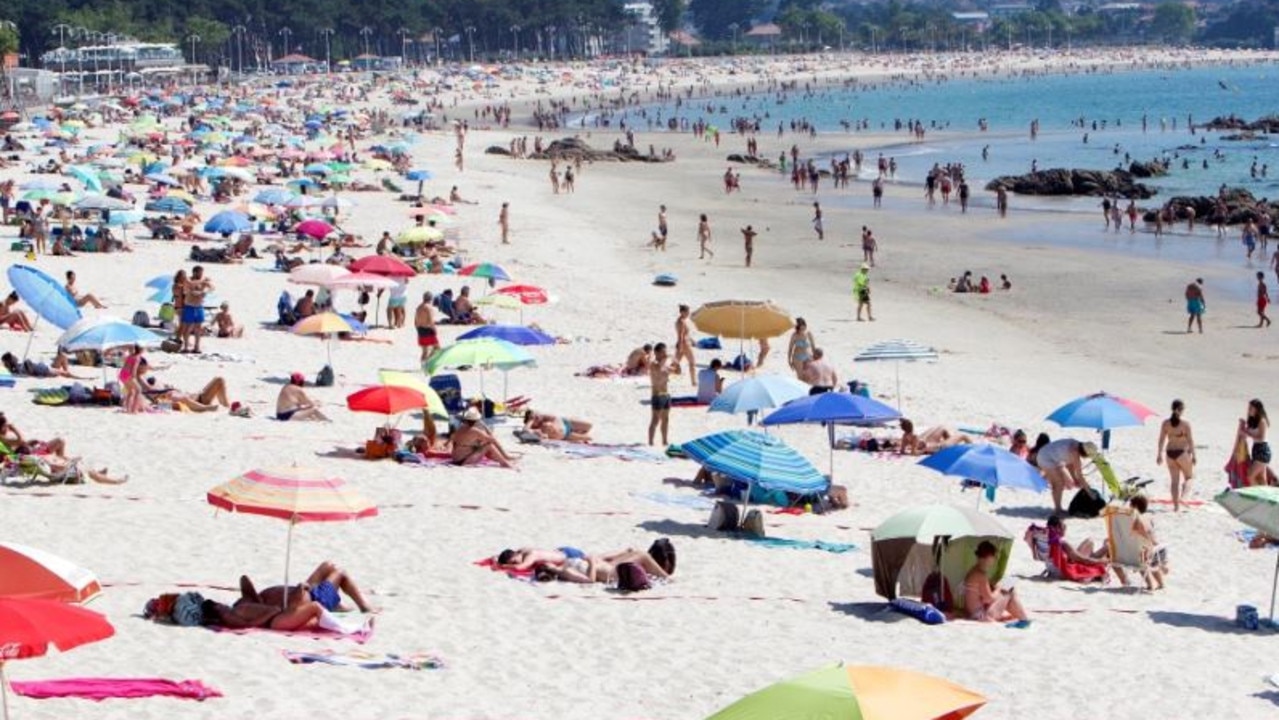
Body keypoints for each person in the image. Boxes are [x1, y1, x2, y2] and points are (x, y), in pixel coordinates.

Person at [246, 561, 376, 614]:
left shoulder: (263, 597)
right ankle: (364, 606)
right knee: (340, 572)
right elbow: (292, 608)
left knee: (328, 566)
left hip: (309, 594)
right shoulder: (269, 609)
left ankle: (336, 605)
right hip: (316, 600)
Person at [964, 540, 1029, 625]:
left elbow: (982, 598)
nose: (995, 559)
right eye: (994, 556)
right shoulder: (980, 575)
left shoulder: (973, 571)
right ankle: (1023, 619)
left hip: (974, 613)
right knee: (1010, 590)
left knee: (1007, 590)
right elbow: (988, 599)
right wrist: (999, 589)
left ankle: (1022, 617)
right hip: (981, 616)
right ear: (988, 556)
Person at [1155, 399, 1196, 512]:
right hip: (1181, 452)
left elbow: (1161, 440)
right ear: (1181, 410)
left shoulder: (1165, 423)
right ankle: (1184, 498)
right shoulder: (1185, 424)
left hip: (1169, 454)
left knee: (1174, 481)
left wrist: (1159, 454)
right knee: (1190, 477)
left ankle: (1176, 507)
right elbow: (1191, 441)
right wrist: (1194, 455)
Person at [1037, 439, 1098, 514]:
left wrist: (1074, 479)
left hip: (1046, 453)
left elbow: (1070, 465)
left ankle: (1058, 508)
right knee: (1058, 483)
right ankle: (1058, 509)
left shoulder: (1075, 444)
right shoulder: (1075, 452)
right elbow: (1080, 475)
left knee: (1060, 482)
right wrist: (1089, 492)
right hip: (1045, 458)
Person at [1129, 495, 1167, 590]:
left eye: (1130, 505)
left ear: (1135, 507)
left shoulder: (1136, 521)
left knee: (1141, 562)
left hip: (1145, 553)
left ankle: (1150, 584)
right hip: (1154, 550)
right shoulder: (1149, 517)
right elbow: (1150, 534)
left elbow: (1134, 535)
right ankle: (1161, 583)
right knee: (1153, 561)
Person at [647, 342, 680, 447]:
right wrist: (667, 359)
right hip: (657, 395)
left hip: (665, 394)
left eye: (666, 352)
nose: (666, 354)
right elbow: (660, 368)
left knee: (666, 419)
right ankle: (651, 442)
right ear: (657, 352)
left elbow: (678, 372)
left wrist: (676, 362)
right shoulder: (653, 364)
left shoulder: (665, 365)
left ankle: (665, 441)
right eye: (663, 352)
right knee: (655, 419)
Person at [182, 265, 213, 353]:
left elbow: (212, 287)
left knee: (198, 328)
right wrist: (201, 284)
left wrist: (205, 290)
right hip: (190, 305)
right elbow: (186, 290)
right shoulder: (189, 280)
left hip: (199, 306)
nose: (201, 274)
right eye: (200, 272)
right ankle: (186, 346)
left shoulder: (204, 280)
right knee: (188, 327)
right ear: (195, 272)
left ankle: (197, 347)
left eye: (202, 273)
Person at [1240, 398, 1270, 486]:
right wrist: (1242, 425)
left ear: (1257, 409)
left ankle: (1257, 493)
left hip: (1263, 450)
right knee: (1261, 478)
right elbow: (1247, 432)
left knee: (1250, 475)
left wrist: (1247, 434)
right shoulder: (1252, 421)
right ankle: (1267, 496)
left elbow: (1261, 437)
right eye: (1248, 408)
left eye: (1251, 408)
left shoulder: (1262, 421)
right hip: (1256, 449)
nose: (1249, 410)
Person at [523, 410, 593, 443]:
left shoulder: (544, 417)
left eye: (536, 415)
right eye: (534, 418)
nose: (536, 417)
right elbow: (525, 430)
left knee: (589, 426)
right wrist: (531, 421)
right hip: (566, 434)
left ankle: (579, 432)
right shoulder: (537, 429)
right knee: (589, 438)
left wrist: (537, 416)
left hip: (567, 423)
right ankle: (579, 433)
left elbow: (555, 417)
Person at [674, 305, 697, 385]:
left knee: (675, 363)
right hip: (685, 344)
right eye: (687, 312)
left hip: (682, 343)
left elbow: (684, 334)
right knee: (692, 363)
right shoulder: (681, 322)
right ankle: (694, 382)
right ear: (682, 312)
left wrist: (692, 340)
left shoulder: (680, 320)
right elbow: (681, 335)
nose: (688, 313)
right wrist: (680, 345)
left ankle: (663, 378)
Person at [415, 292, 439, 363]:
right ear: (431, 299)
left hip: (420, 329)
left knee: (425, 350)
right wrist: (435, 329)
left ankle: (423, 364)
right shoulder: (429, 307)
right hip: (428, 329)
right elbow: (431, 321)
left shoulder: (419, 307)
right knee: (436, 348)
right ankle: (427, 362)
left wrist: (418, 329)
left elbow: (415, 321)